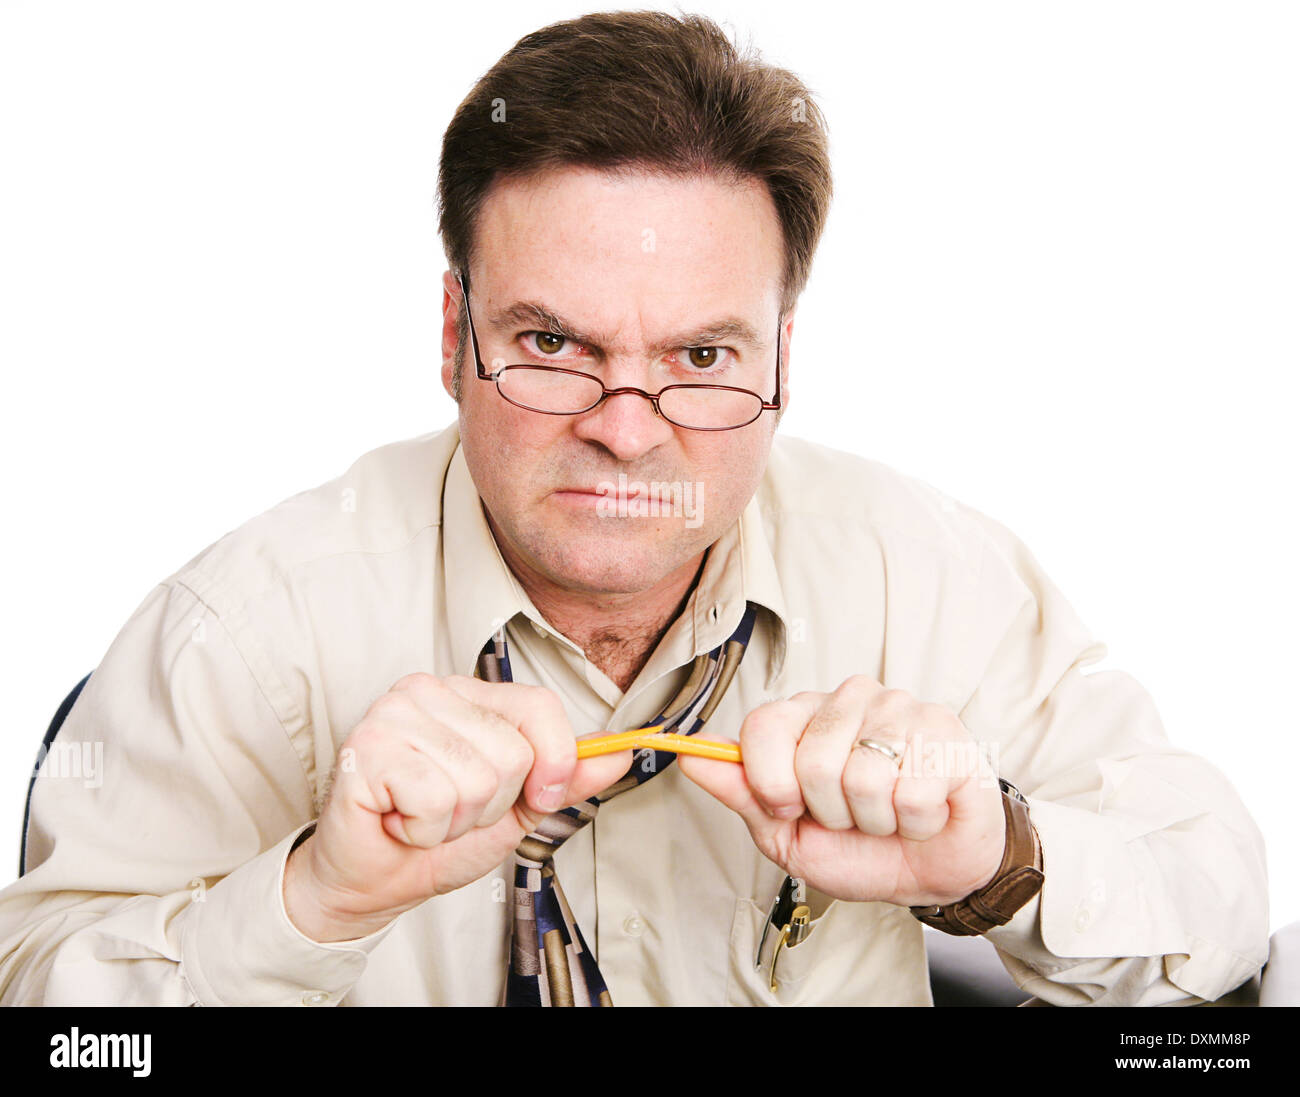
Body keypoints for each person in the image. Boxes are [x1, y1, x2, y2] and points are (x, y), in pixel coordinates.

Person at [0, 10, 1268, 1007]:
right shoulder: (241, 629)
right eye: (552, 341)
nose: (626, 421)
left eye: (702, 359)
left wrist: (998, 861)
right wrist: (312, 900)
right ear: (454, 337)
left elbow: (1216, 917)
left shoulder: (928, 577)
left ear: (782, 359)